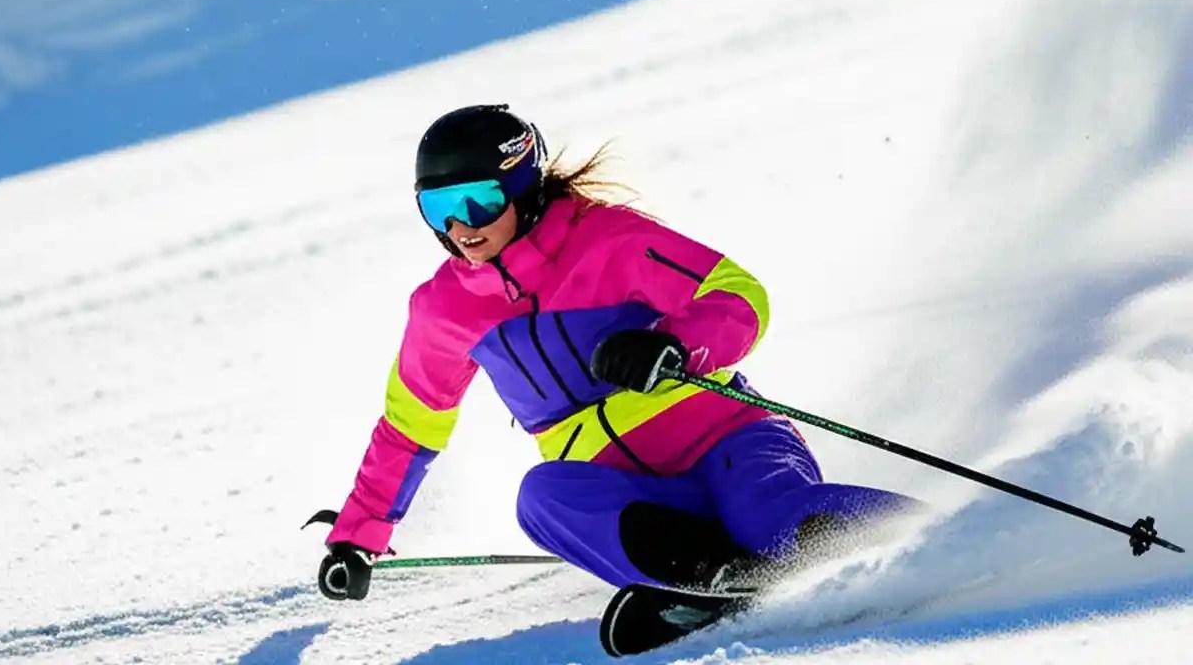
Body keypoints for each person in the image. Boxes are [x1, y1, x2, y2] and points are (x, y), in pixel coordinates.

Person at [310, 104, 914, 601]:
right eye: (438, 208)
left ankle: (936, 536)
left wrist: (674, 347)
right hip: (630, 494)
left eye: (478, 202)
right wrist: (358, 534)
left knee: (768, 521)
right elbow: (410, 429)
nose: (461, 227)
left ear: (520, 188)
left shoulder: (607, 240)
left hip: (729, 442)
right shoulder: (444, 310)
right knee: (543, 497)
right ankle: (713, 584)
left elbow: (739, 296)